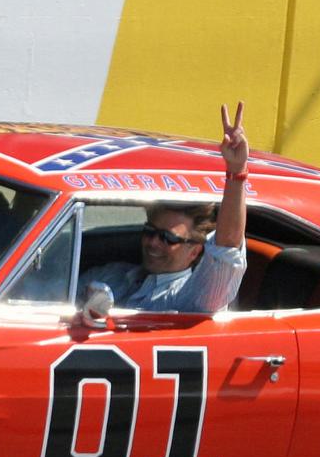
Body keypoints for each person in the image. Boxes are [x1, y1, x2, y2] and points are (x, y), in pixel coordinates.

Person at [79, 102, 251, 313]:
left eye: (167, 238)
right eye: (149, 231)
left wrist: (237, 171)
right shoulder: (113, 274)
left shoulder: (194, 296)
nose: (153, 242)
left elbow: (227, 251)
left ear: (194, 251)